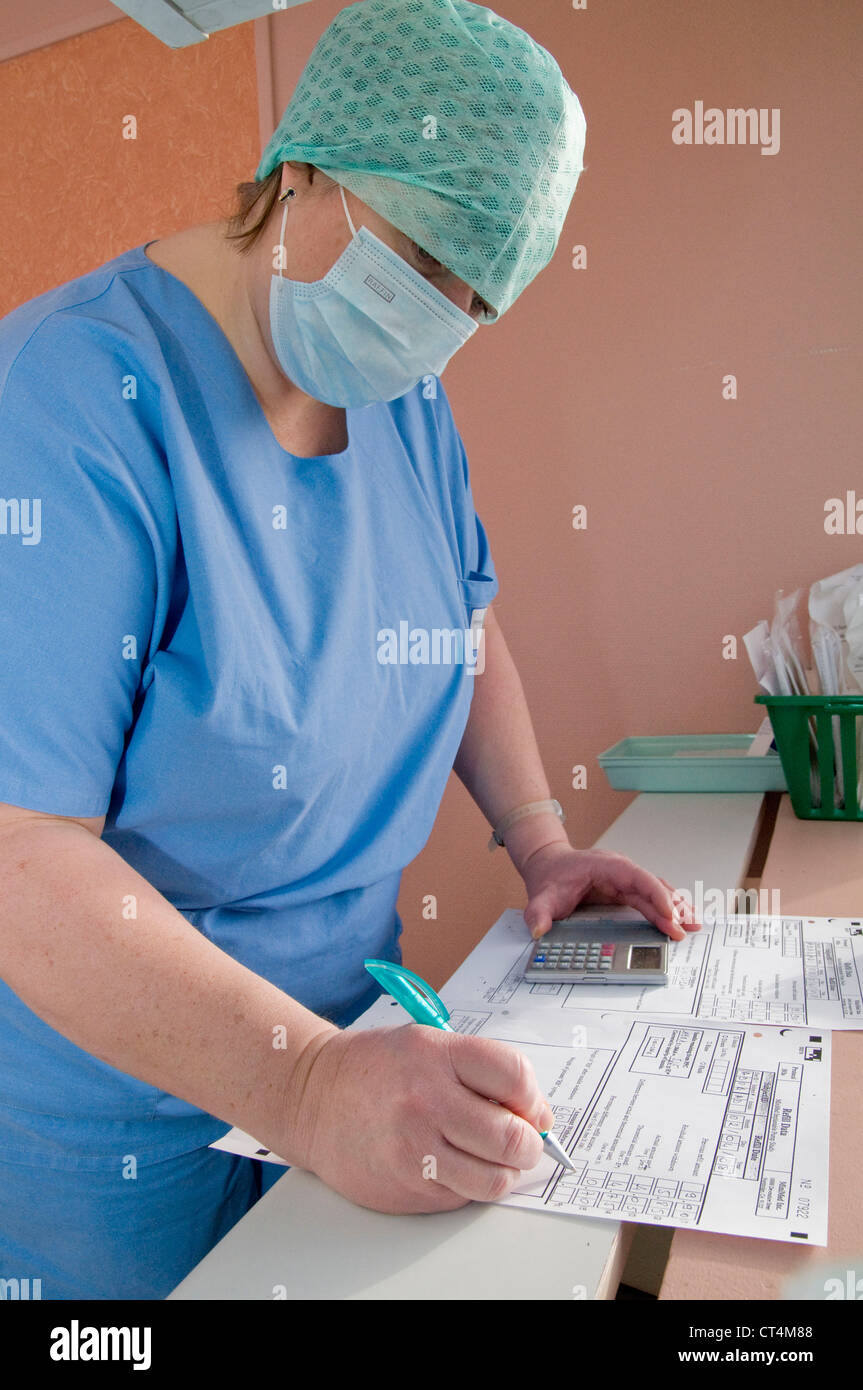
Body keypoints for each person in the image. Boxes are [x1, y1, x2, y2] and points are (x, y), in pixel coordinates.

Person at [0, 0, 697, 1299]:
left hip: (352, 1064)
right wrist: (298, 1081)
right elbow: (22, 854)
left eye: (477, 298)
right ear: (306, 160)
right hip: (113, 1135)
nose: (436, 322)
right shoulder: (69, 405)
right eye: (423, 260)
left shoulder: (399, 403)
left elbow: (461, 623)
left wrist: (542, 840)